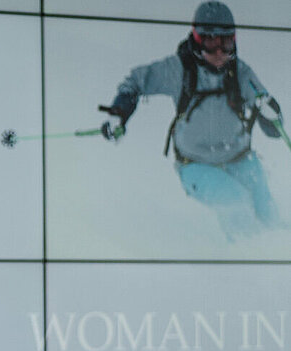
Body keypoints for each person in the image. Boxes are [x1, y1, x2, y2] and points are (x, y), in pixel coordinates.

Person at [99, 1, 285, 242]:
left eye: (226, 43)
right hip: (197, 165)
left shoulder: (240, 72)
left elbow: (264, 106)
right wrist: (120, 110)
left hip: (240, 157)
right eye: (211, 43)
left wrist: (272, 119)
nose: (219, 52)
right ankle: (245, 264)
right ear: (197, 40)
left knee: (268, 212)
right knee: (235, 203)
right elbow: (135, 81)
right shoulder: (179, 70)